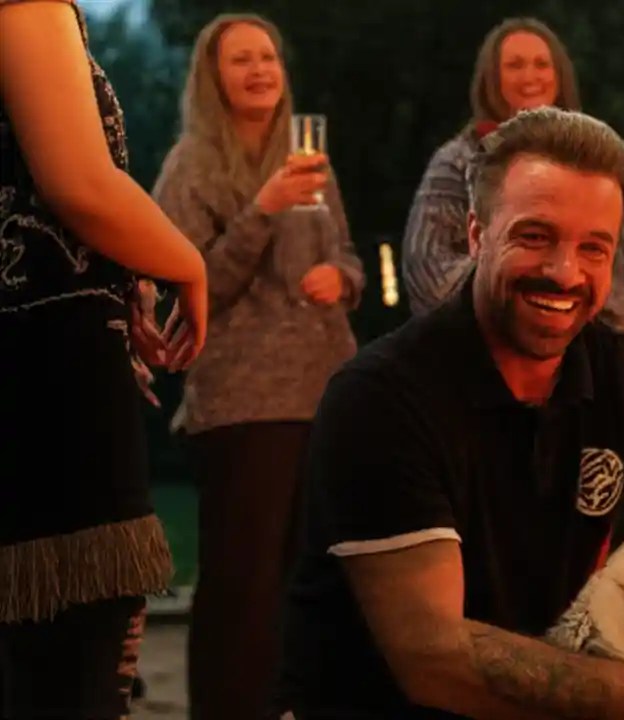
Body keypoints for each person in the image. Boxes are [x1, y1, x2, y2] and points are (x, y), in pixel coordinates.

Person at [278, 107, 624, 720]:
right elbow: (431, 658)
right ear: (476, 234)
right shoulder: (380, 398)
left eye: (593, 248)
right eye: (534, 237)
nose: (564, 272)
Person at [151, 13, 364, 719]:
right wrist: (262, 209)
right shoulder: (191, 166)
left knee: (318, 580)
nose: (259, 69)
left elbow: (351, 259)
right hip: (243, 404)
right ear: (213, 78)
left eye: (268, 55)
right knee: (243, 591)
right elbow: (191, 285)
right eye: (240, 59)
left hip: (327, 390)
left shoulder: (306, 156)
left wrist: (343, 279)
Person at [0, 0, 207, 717]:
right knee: (67, 666)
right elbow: (80, 184)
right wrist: (186, 262)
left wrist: (125, 269)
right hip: (45, 394)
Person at [400, 17, 624, 338]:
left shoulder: (595, 163)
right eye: (515, 65)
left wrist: (573, 323)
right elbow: (425, 266)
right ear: (491, 79)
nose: (530, 76)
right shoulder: (456, 162)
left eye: (541, 64)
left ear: (559, 75)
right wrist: (518, 305)